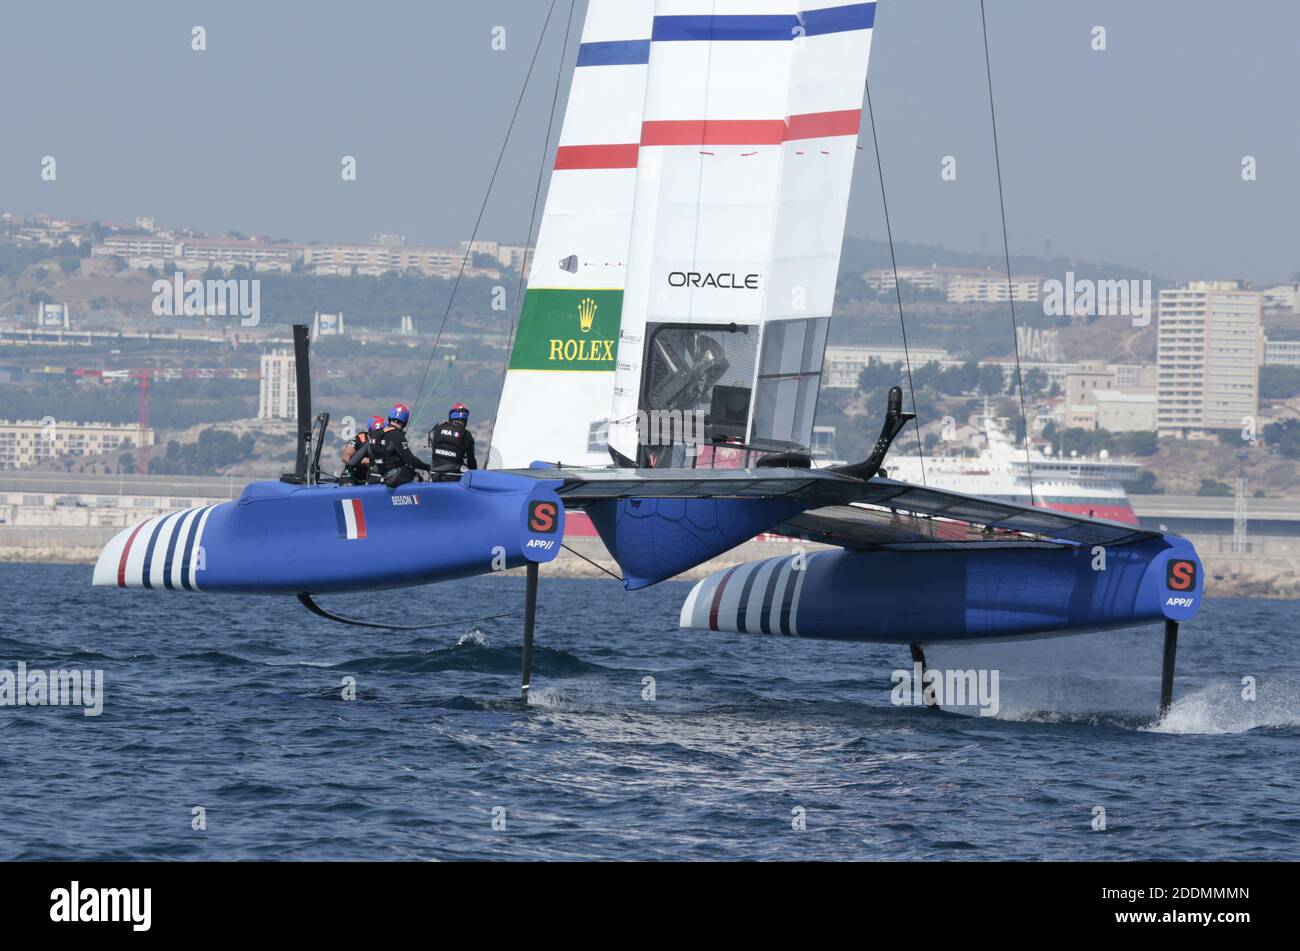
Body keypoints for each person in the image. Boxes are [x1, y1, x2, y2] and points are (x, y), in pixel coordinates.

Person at [371, 403, 432, 487]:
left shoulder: (377, 434)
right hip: (395, 477)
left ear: (389, 418)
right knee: (421, 480)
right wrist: (427, 467)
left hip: (384, 476)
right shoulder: (396, 435)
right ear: (405, 422)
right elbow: (410, 459)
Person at [427, 402, 478, 481]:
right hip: (453, 476)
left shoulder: (438, 429)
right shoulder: (466, 434)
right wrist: (475, 477)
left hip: (434, 474)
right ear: (465, 419)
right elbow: (471, 460)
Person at [340, 415, 384, 485]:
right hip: (352, 478)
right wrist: (362, 461)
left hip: (370, 478)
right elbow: (345, 457)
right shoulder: (360, 438)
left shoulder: (383, 441)